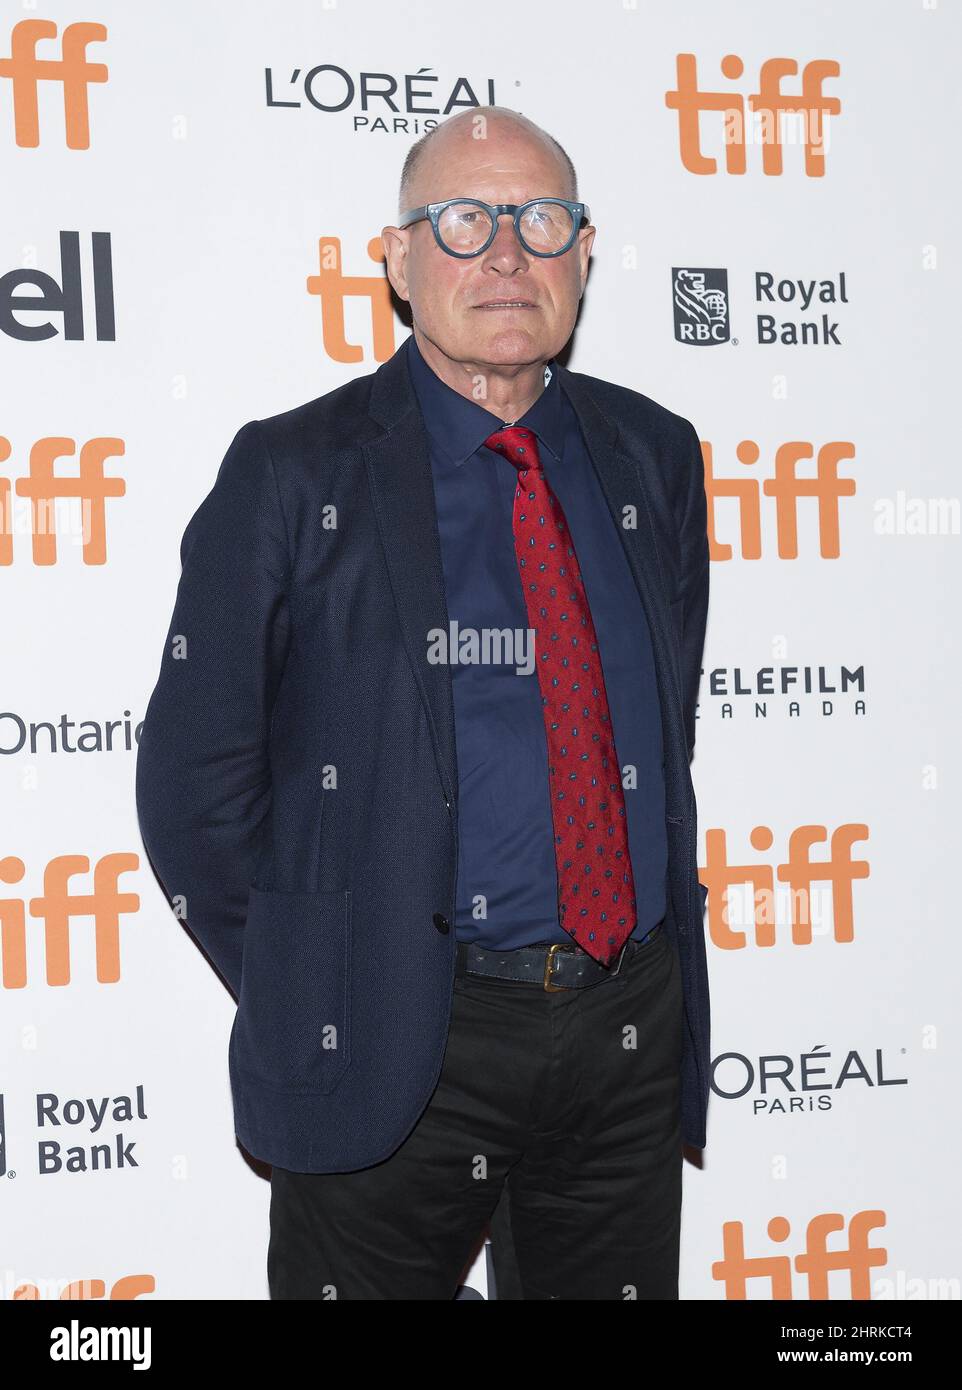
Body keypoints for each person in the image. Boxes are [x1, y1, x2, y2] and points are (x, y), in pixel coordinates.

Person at [135, 105, 711, 1301]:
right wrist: (332, 973)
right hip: (399, 1040)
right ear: (397, 261)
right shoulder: (293, 471)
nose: (504, 253)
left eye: (539, 221)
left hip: (625, 1029)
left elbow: (660, 718)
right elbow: (195, 785)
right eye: (461, 222)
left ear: (583, 254)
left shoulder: (652, 455)